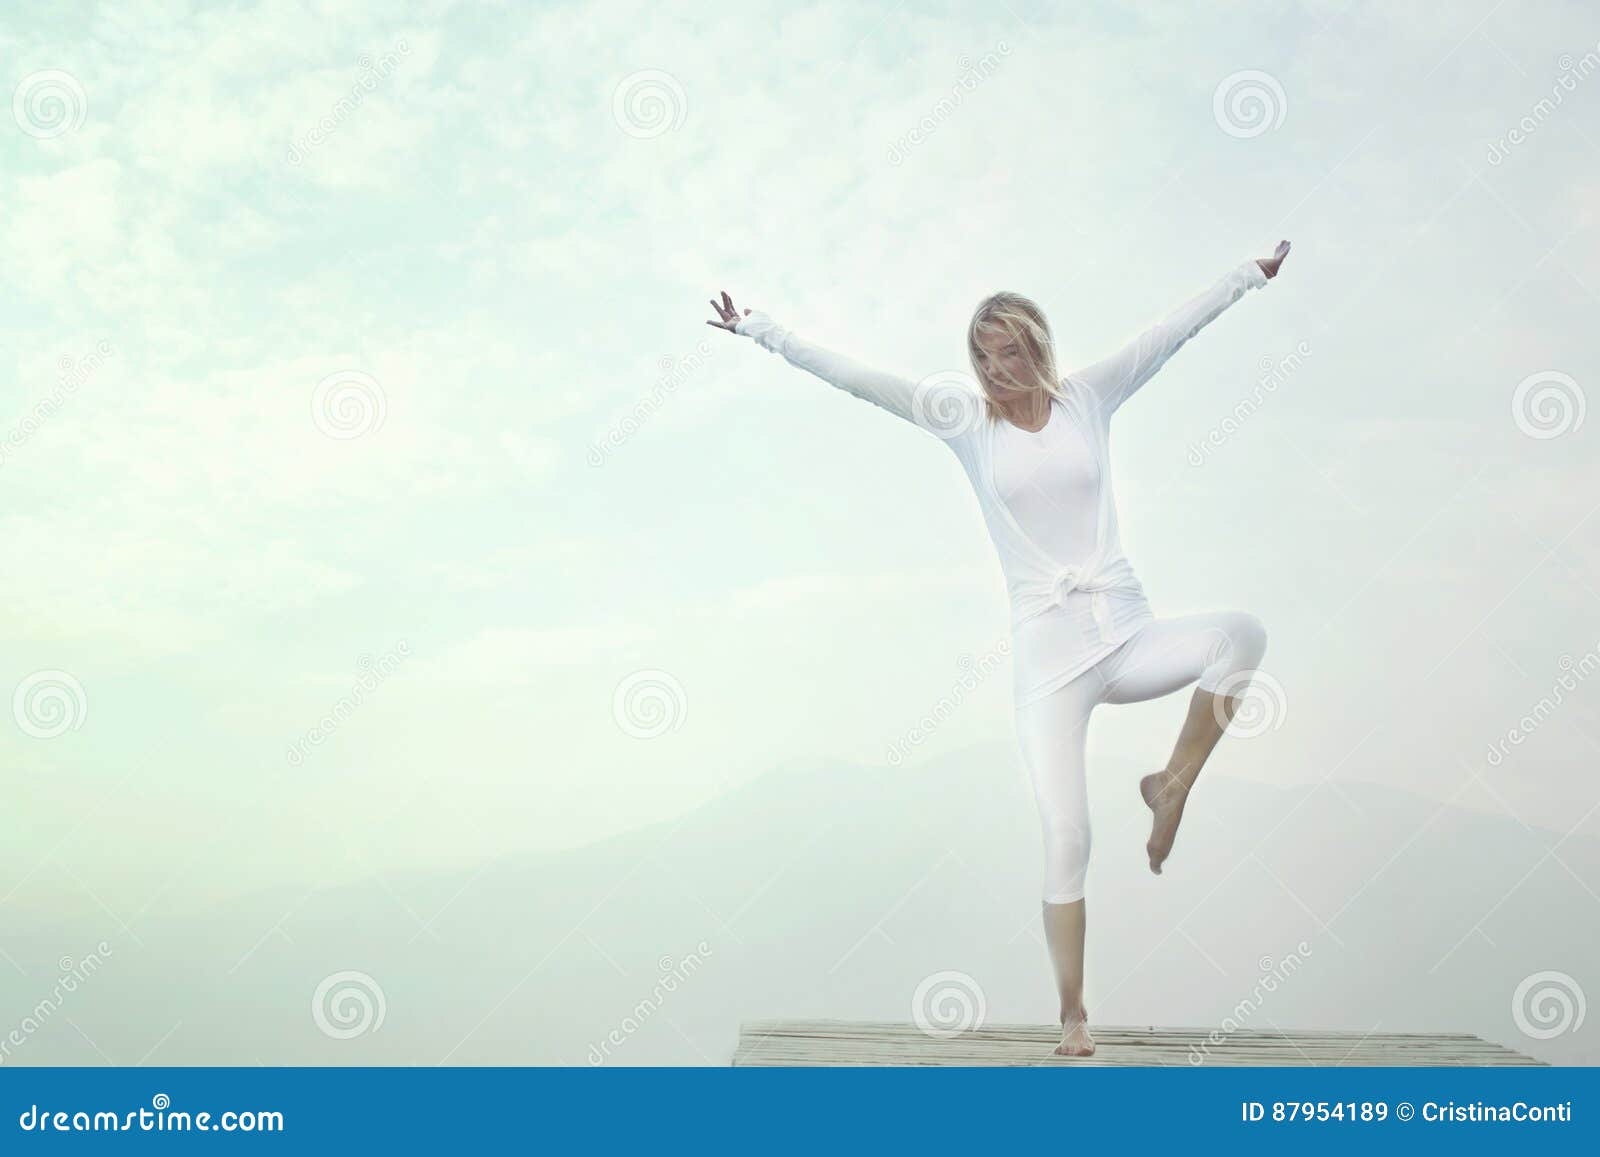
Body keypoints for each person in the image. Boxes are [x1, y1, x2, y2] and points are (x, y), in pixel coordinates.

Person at [706, 240, 1291, 1057]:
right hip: (1050, 667)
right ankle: (1074, 1012)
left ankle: (1172, 783)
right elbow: (855, 378)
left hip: (1127, 633)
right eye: (984, 356)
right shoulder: (966, 423)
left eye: (1010, 351)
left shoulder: (1089, 396)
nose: (997, 368)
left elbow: (1167, 333)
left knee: (1243, 633)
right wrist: (762, 329)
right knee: (1068, 834)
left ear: (1038, 347)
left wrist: (1245, 278)